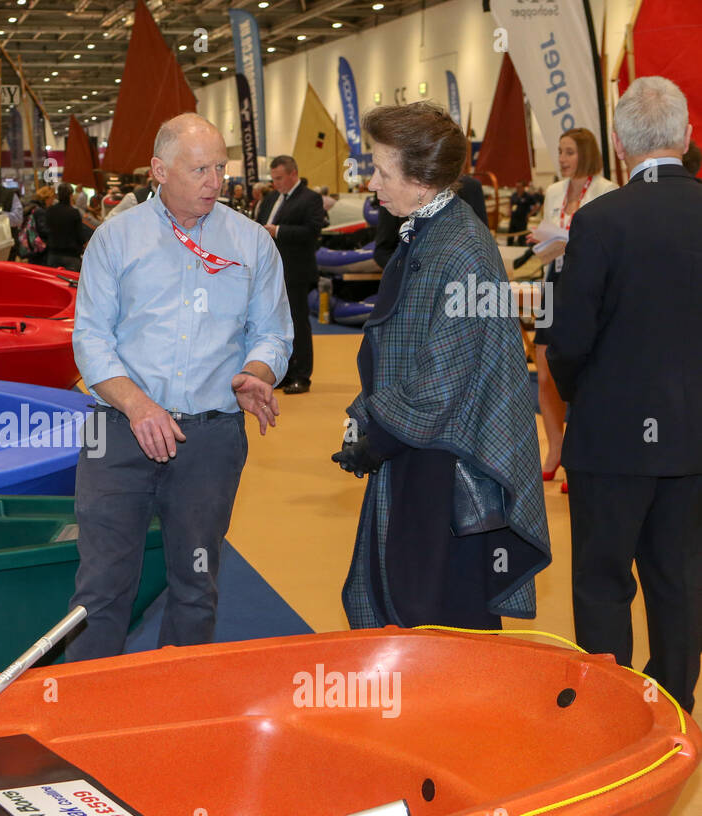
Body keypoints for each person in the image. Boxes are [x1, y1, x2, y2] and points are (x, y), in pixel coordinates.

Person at [66, 112, 293, 661]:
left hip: (210, 439)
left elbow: (273, 333)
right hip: (119, 433)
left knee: (196, 586)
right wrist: (140, 404)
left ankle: (175, 706)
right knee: (102, 589)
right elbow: (90, 339)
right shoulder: (116, 239)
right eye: (200, 169)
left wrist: (255, 373)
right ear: (159, 171)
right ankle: (88, 711)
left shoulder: (251, 243)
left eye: (220, 167)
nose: (216, 182)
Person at [336, 102, 550, 630]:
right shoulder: (432, 231)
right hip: (425, 448)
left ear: (424, 179)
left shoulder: (461, 248)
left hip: (446, 462)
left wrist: (378, 438)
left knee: (435, 616)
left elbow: (442, 377)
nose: (373, 182)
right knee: (415, 604)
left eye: (383, 171)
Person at [547, 76, 701, 712]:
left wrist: (588, 398)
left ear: (617, 144)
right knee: (680, 579)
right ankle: (672, 704)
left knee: (603, 581)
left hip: (610, 436)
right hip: (692, 437)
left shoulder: (600, 221)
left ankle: (612, 711)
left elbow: (567, 339)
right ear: (688, 137)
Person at [528, 128, 617, 486]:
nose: (562, 159)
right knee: (545, 364)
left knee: (582, 369)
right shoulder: (552, 191)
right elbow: (550, 232)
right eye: (560, 151)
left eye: (569, 152)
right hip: (554, 283)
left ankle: (582, 453)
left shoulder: (607, 191)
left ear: (586, 153)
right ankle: (555, 448)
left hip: (588, 286)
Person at [263, 155, 326, 393]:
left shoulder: (311, 198)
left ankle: (302, 374)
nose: (276, 182)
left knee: (298, 324)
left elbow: (312, 231)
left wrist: (277, 230)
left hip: (297, 271)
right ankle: (285, 372)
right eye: (274, 178)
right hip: (273, 272)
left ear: (293, 174)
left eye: (279, 178)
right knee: (277, 324)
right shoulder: (271, 199)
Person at [45, 182, 92, 271]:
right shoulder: (74, 212)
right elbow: (79, 234)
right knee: (71, 283)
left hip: (53, 254)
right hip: (71, 256)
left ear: (58, 195)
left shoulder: (50, 211)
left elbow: (47, 230)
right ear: (71, 195)